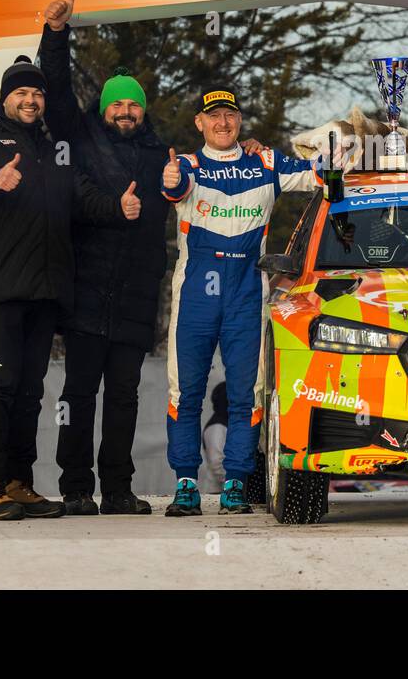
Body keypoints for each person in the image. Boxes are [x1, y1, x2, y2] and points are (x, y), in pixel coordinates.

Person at [0, 55, 141, 521]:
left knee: (31, 392)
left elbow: (81, 196)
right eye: (22, 93)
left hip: (45, 292)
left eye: (37, 94)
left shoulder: (53, 148)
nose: (31, 100)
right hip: (0, 290)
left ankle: (18, 482)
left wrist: (117, 206)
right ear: (5, 97)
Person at [36, 0, 171, 517]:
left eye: (133, 104)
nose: (125, 111)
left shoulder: (163, 156)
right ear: (104, 108)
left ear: (143, 110)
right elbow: (60, 90)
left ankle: (117, 489)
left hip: (137, 300)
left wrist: (249, 148)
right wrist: (55, 33)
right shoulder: (81, 136)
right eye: (117, 103)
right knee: (77, 397)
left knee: (123, 400)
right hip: (87, 296)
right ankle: (74, 488)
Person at [160, 87, 321, 516]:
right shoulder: (187, 166)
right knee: (186, 390)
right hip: (196, 292)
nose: (223, 123)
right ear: (200, 123)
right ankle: (186, 484)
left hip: (248, 292)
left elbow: (320, 177)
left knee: (247, 392)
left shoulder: (265, 162)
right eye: (214, 116)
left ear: (240, 120)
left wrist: (343, 147)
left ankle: (236, 482)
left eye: (230, 115)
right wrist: (171, 181)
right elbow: (174, 190)